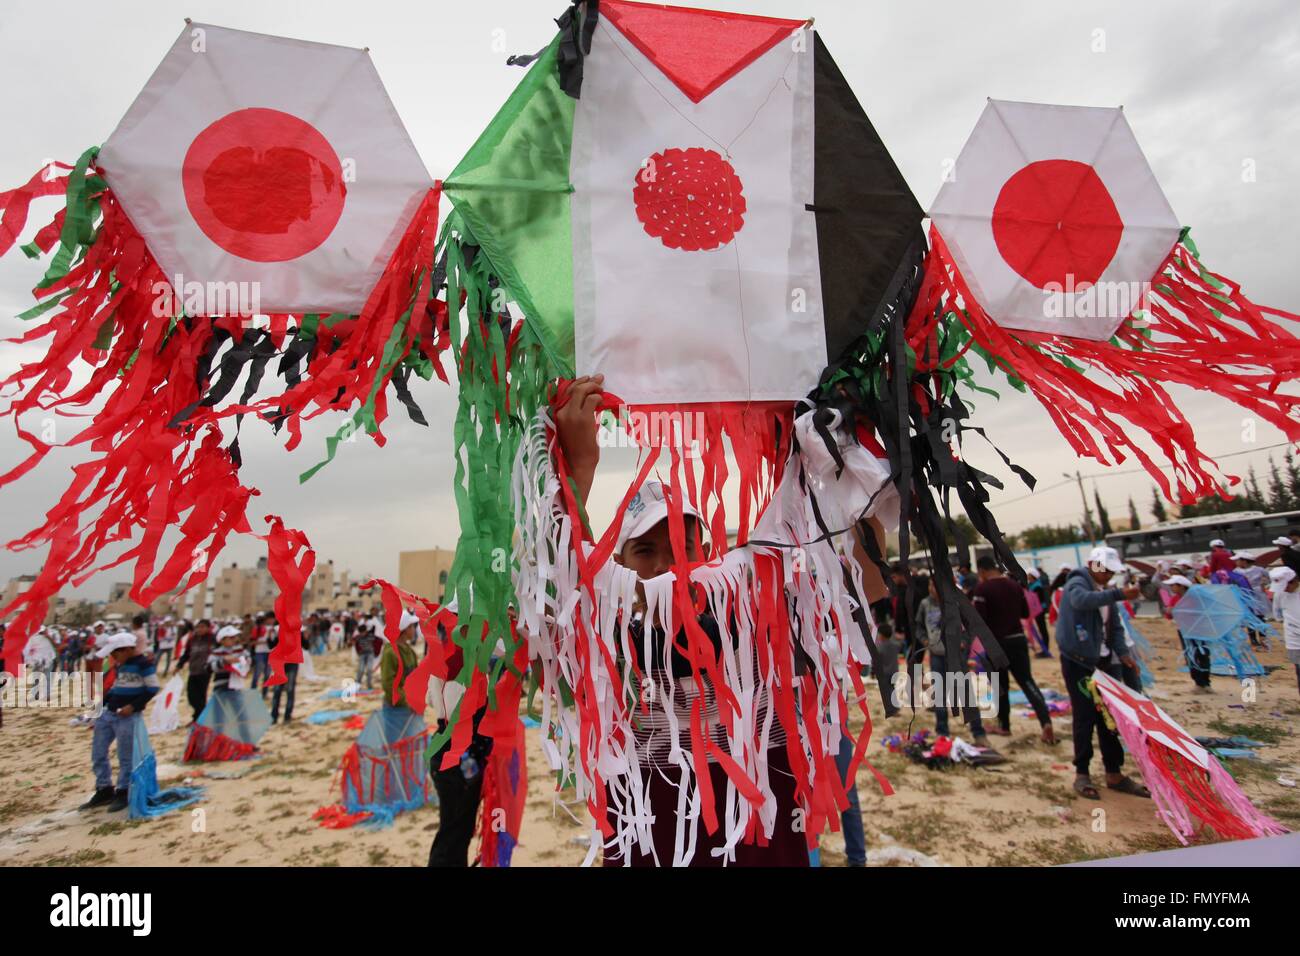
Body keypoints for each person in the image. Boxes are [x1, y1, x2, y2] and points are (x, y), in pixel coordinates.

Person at [553, 374, 810, 867]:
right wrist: (579, 468)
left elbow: (855, 577)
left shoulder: (760, 629)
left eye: (681, 547)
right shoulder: (607, 653)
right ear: (618, 565)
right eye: (645, 550)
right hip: (656, 845)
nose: (666, 566)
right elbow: (554, 587)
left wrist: (824, 451)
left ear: (708, 554)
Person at [1055, 546, 1149, 801]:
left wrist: (1124, 654)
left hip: (1105, 662)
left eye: (1111, 572)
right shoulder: (1077, 583)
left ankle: (1113, 772)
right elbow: (1080, 601)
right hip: (1078, 662)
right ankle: (1082, 772)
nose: (1108, 575)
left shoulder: (1104, 591)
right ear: (1092, 565)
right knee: (1084, 717)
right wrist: (1118, 594)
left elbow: (1114, 627)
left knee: (1109, 719)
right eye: (1104, 570)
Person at [971, 556, 1055, 744]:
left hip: (996, 643)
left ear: (982, 571)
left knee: (1000, 686)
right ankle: (1045, 721)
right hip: (1017, 639)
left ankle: (1004, 726)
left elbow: (979, 619)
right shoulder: (1015, 586)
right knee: (1027, 681)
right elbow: (1025, 613)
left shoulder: (982, 589)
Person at [79, 632, 161, 813]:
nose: (112, 657)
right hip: (109, 713)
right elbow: (115, 688)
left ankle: (123, 791)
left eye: (115, 653)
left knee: (125, 755)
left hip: (127, 717)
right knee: (98, 751)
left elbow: (153, 688)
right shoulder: (119, 665)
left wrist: (133, 706)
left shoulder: (143, 664)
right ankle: (104, 788)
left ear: (127, 649)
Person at [914, 574, 991, 747]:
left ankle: (978, 733)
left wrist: (965, 641)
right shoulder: (925, 604)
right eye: (930, 585)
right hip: (937, 656)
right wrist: (925, 640)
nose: (932, 589)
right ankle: (942, 733)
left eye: (935, 586)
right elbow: (918, 627)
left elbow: (971, 625)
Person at [1160, 574, 1209, 690]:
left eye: (1173, 585)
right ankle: (1198, 682)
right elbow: (1169, 615)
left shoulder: (1195, 597)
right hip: (1184, 630)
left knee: (1203, 654)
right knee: (1190, 655)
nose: (1171, 588)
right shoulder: (1174, 599)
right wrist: (1169, 611)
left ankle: (1205, 681)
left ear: (1181, 586)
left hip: (1199, 630)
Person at [176, 618, 215, 723]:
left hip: (205, 671)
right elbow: (186, 654)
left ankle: (198, 719)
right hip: (193, 670)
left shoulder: (212, 639)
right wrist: (179, 665)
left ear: (208, 628)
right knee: (191, 696)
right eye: (198, 627)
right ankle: (200, 717)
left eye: (203, 627)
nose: (200, 629)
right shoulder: (192, 639)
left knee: (201, 696)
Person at [1270, 567, 1300, 697]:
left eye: (1286, 586)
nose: (1284, 589)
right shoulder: (1280, 594)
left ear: (1294, 581)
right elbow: (1277, 614)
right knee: (1299, 669)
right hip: (1293, 639)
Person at [354, 620, 382, 691]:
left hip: (370, 654)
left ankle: (369, 685)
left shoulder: (371, 636)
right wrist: (358, 651)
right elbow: (355, 644)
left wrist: (376, 651)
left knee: (369, 669)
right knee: (361, 669)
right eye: (361, 633)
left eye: (363, 632)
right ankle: (357, 684)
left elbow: (379, 640)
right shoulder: (358, 637)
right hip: (362, 654)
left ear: (366, 631)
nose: (362, 634)